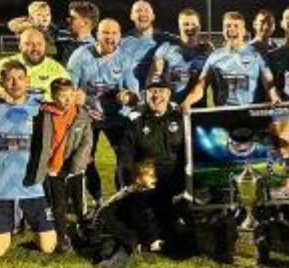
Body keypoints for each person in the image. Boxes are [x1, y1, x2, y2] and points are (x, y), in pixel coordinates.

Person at [0, 61, 57, 257]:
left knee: (48, 247)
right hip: (1, 189)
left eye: (20, 78)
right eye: (9, 79)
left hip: (32, 186)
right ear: (1, 82)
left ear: (28, 81)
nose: (15, 83)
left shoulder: (40, 107)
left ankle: (25, 223)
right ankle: (11, 223)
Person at [68, 18, 140, 208]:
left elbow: (135, 96)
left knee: (125, 158)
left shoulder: (125, 58)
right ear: (97, 35)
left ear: (120, 36)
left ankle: (121, 199)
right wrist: (79, 101)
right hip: (87, 118)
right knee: (86, 160)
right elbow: (68, 90)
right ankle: (98, 200)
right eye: (105, 32)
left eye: (114, 33)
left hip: (117, 118)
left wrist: (127, 97)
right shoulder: (80, 56)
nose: (110, 37)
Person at [119, 72, 190, 253]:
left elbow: (191, 152)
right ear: (145, 95)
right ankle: (152, 237)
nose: (156, 96)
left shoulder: (181, 118)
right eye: (152, 92)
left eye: (161, 91)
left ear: (169, 94)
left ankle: (177, 225)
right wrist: (129, 183)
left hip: (177, 176)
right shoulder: (136, 121)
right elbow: (126, 157)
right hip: (148, 176)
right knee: (145, 204)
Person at [24, 78, 93, 253]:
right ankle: (62, 237)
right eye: (63, 96)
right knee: (58, 205)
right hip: (54, 169)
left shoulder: (81, 114)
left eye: (71, 95)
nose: (68, 99)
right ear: (54, 96)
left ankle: (84, 232)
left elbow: (87, 141)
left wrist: (78, 164)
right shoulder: (44, 114)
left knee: (79, 205)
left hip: (75, 169)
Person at [182, 11, 281, 108]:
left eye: (236, 26)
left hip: (250, 113)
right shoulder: (214, 56)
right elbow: (201, 85)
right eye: (228, 26)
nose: (231, 29)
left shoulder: (256, 54)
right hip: (224, 114)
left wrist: (274, 96)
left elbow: (269, 83)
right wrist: (188, 102)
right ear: (223, 31)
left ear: (243, 31)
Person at [93, 161, 162, 268]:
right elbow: (141, 221)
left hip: (106, 226)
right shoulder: (139, 197)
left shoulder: (131, 190)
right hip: (112, 227)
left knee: (111, 246)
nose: (156, 179)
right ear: (139, 179)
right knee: (128, 244)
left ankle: (105, 252)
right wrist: (151, 240)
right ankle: (110, 263)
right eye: (152, 176)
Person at [0, 28, 70, 103]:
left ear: (45, 46)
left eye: (39, 44)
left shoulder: (56, 69)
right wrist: (10, 98)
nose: (35, 48)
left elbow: (69, 95)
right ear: (20, 46)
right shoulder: (4, 64)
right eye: (29, 44)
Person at [153, 8, 213, 108]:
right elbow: (155, 77)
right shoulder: (166, 48)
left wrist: (187, 103)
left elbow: (203, 83)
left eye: (193, 24)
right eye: (186, 24)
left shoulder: (207, 51)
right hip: (172, 109)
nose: (190, 27)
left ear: (199, 26)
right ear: (179, 26)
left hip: (199, 110)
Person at [120, 0, 178, 91]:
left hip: (156, 96)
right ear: (131, 16)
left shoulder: (168, 39)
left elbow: (187, 43)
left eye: (146, 10)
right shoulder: (121, 42)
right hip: (130, 97)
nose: (143, 14)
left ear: (153, 16)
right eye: (138, 10)